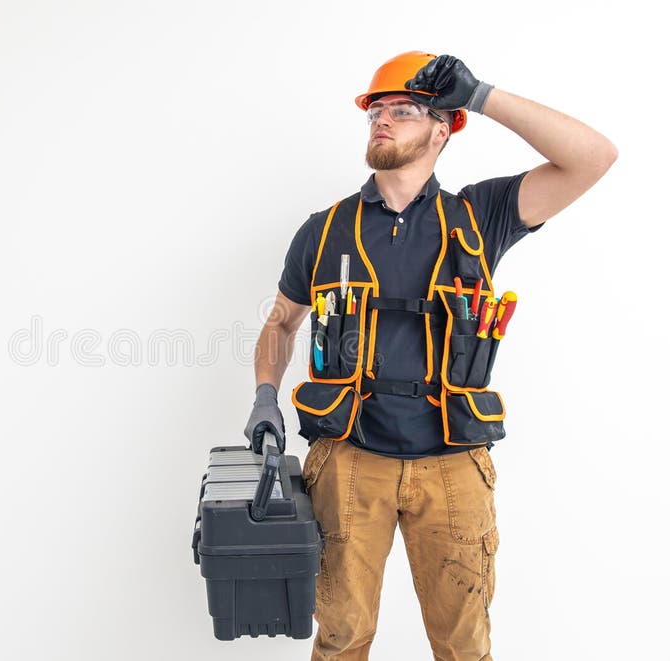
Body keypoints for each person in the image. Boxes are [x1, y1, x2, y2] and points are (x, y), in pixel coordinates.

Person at [243, 52, 616, 660]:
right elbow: (282, 321)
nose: (382, 121)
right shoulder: (324, 229)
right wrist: (265, 397)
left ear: (444, 128)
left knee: (463, 645)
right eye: (376, 111)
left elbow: (593, 157)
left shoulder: (481, 215)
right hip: (348, 459)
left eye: (404, 110)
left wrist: (481, 94)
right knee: (340, 639)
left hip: (453, 466)